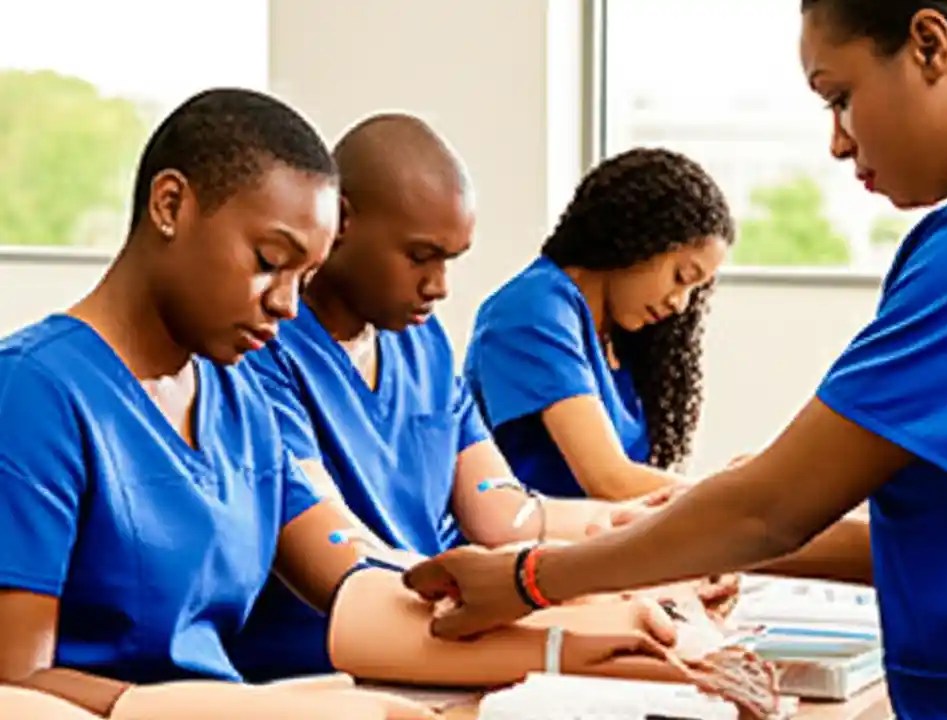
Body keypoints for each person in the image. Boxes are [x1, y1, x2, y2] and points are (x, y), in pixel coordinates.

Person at [403, 1, 947, 718]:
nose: (837, 139)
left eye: (840, 96)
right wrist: (702, 533)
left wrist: (531, 577)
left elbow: (776, 505)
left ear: (930, 45)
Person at [0, 89, 684, 720]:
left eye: (306, 275)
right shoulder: (36, 392)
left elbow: (360, 592)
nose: (287, 304)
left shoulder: (238, 401)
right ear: (170, 205)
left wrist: (569, 642)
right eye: (270, 260)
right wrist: (235, 714)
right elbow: (14, 682)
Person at [231, 113, 712, 681]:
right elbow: (338, 547)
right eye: (419, 256)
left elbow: (507, 513)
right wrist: (551, 596)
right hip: (333, 661)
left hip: (450, 627)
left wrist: (636, 535)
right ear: (341, 222)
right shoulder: (264, 350)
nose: (439, 286)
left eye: (449, 260)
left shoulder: (423, 342)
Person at [463, 147, 734, 500]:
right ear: (640, 239)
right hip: (534, 544)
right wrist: (733, 494)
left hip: (597, 540)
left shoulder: (621, 336)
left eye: (695, 291)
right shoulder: (531, 311)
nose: (680, 303)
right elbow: (609, 480)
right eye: (681, 276)